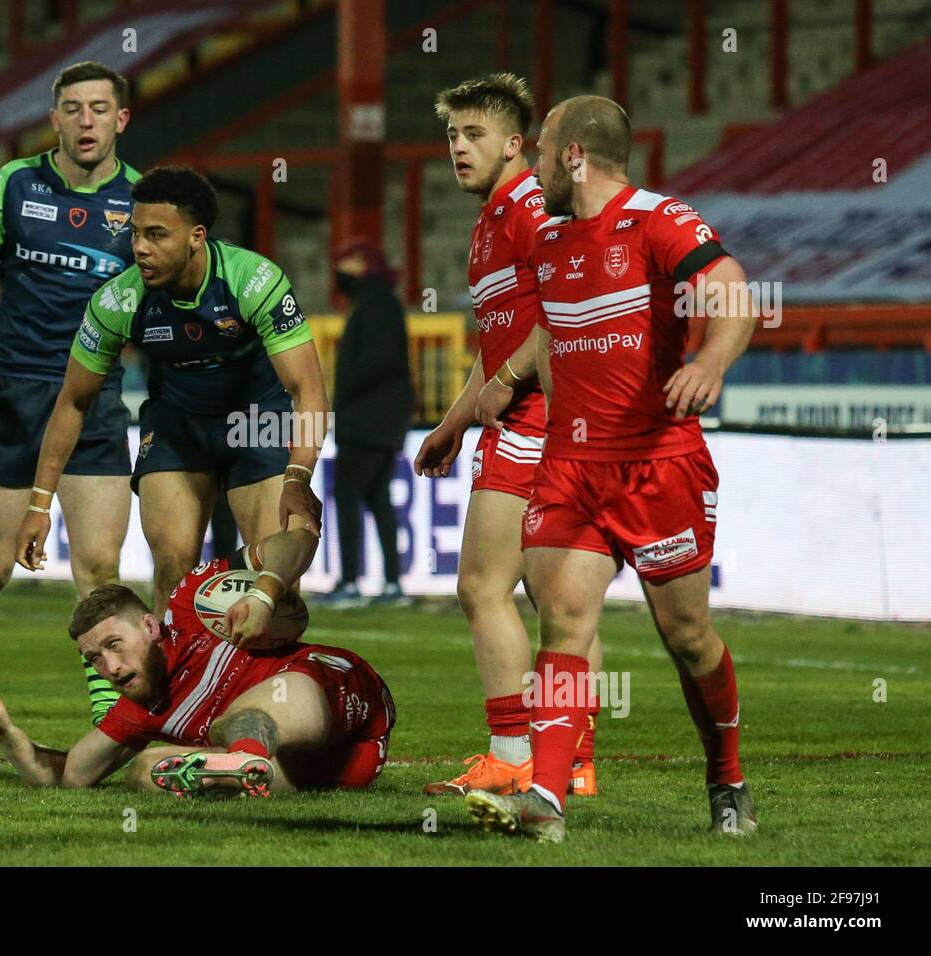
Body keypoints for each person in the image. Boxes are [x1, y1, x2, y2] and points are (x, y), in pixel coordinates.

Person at [465, 95, 757, 843]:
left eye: (542, 152)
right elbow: (548, 331)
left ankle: (725, 774)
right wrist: (495, 391)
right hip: (571, 466)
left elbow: (731, 292)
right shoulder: (551, 240)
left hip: (658, 464)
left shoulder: (659, 219)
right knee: (561, 619)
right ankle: (548, 796)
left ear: (573, 157)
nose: (531, 165)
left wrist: (712, 362)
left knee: (688, 636)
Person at [0, 60, 141, 760]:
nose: (85, 121)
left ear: (121, 120)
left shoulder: (143, 200)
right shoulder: (13, 185)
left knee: (100, 569)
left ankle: (108, 726)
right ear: (54, 119)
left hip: (94, 399)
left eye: (99, 109)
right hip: (13, 399)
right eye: (72, 109)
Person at [14, 166, 328, 618]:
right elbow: (74, 401)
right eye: (136, 232)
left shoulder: (252, 280)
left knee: (274, 584)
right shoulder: (117, 301)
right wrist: (39, 504)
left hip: (257, 422)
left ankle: (260, 684)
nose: (140, 247)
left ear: (196, 236)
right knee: (173, 567)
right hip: (177, 426)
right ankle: (180, 686)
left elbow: (309, 389)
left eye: (158, 235)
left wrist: (298, 476)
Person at [417, 74, 602, 799]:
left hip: (537, 424)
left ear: (515, 143)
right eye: (452, 135)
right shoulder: (492, 218)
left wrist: (503, 387)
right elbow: (498, 344)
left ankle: (513, 754)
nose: (459, 148)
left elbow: (566, 305)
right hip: (527, 420)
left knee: (481, 586)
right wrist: (454, 421)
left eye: (474, 135)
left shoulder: (531, 207)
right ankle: (573, 760)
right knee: (554, 597)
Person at [0, 526, 395, 795]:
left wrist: (264, 593)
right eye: (94, 659)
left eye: (115, 645)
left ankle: (240, 756)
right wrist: (7, 734)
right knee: (145, 770)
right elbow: (70, 775)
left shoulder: (193, 599)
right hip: (338, 770)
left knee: (241, 716)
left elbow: (298, 540)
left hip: (336, 691)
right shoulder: (139, 709)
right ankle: (240, 764)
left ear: (151, 628)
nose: (110, 668)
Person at [315, 240, 413, 609]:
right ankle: (391, 584)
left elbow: (374, 364)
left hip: (366, 422)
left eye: (351, 261)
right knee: (378, 500)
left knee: (349, 497)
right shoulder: (382, 303)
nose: (342, 268)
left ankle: (351, 583)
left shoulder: (374, 305)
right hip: (383, 422)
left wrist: (340, 400)